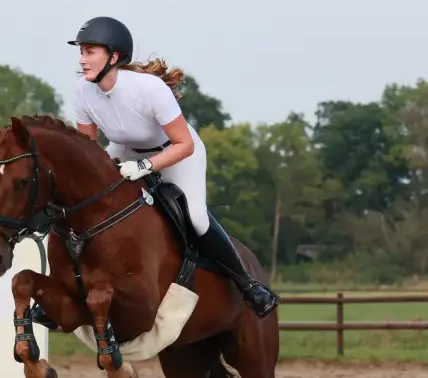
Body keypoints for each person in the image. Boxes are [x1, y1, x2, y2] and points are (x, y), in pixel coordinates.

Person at [67, 16, 280, 318]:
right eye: (81, 52)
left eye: (89, 52)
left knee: (195, 218)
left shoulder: (149, 89)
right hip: (124, 149)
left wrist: (144, 166)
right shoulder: (81, 91)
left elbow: (184, 144)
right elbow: (88, 151)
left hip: (175, 151)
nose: (82, 60)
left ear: (113, 57)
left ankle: (249, 285)